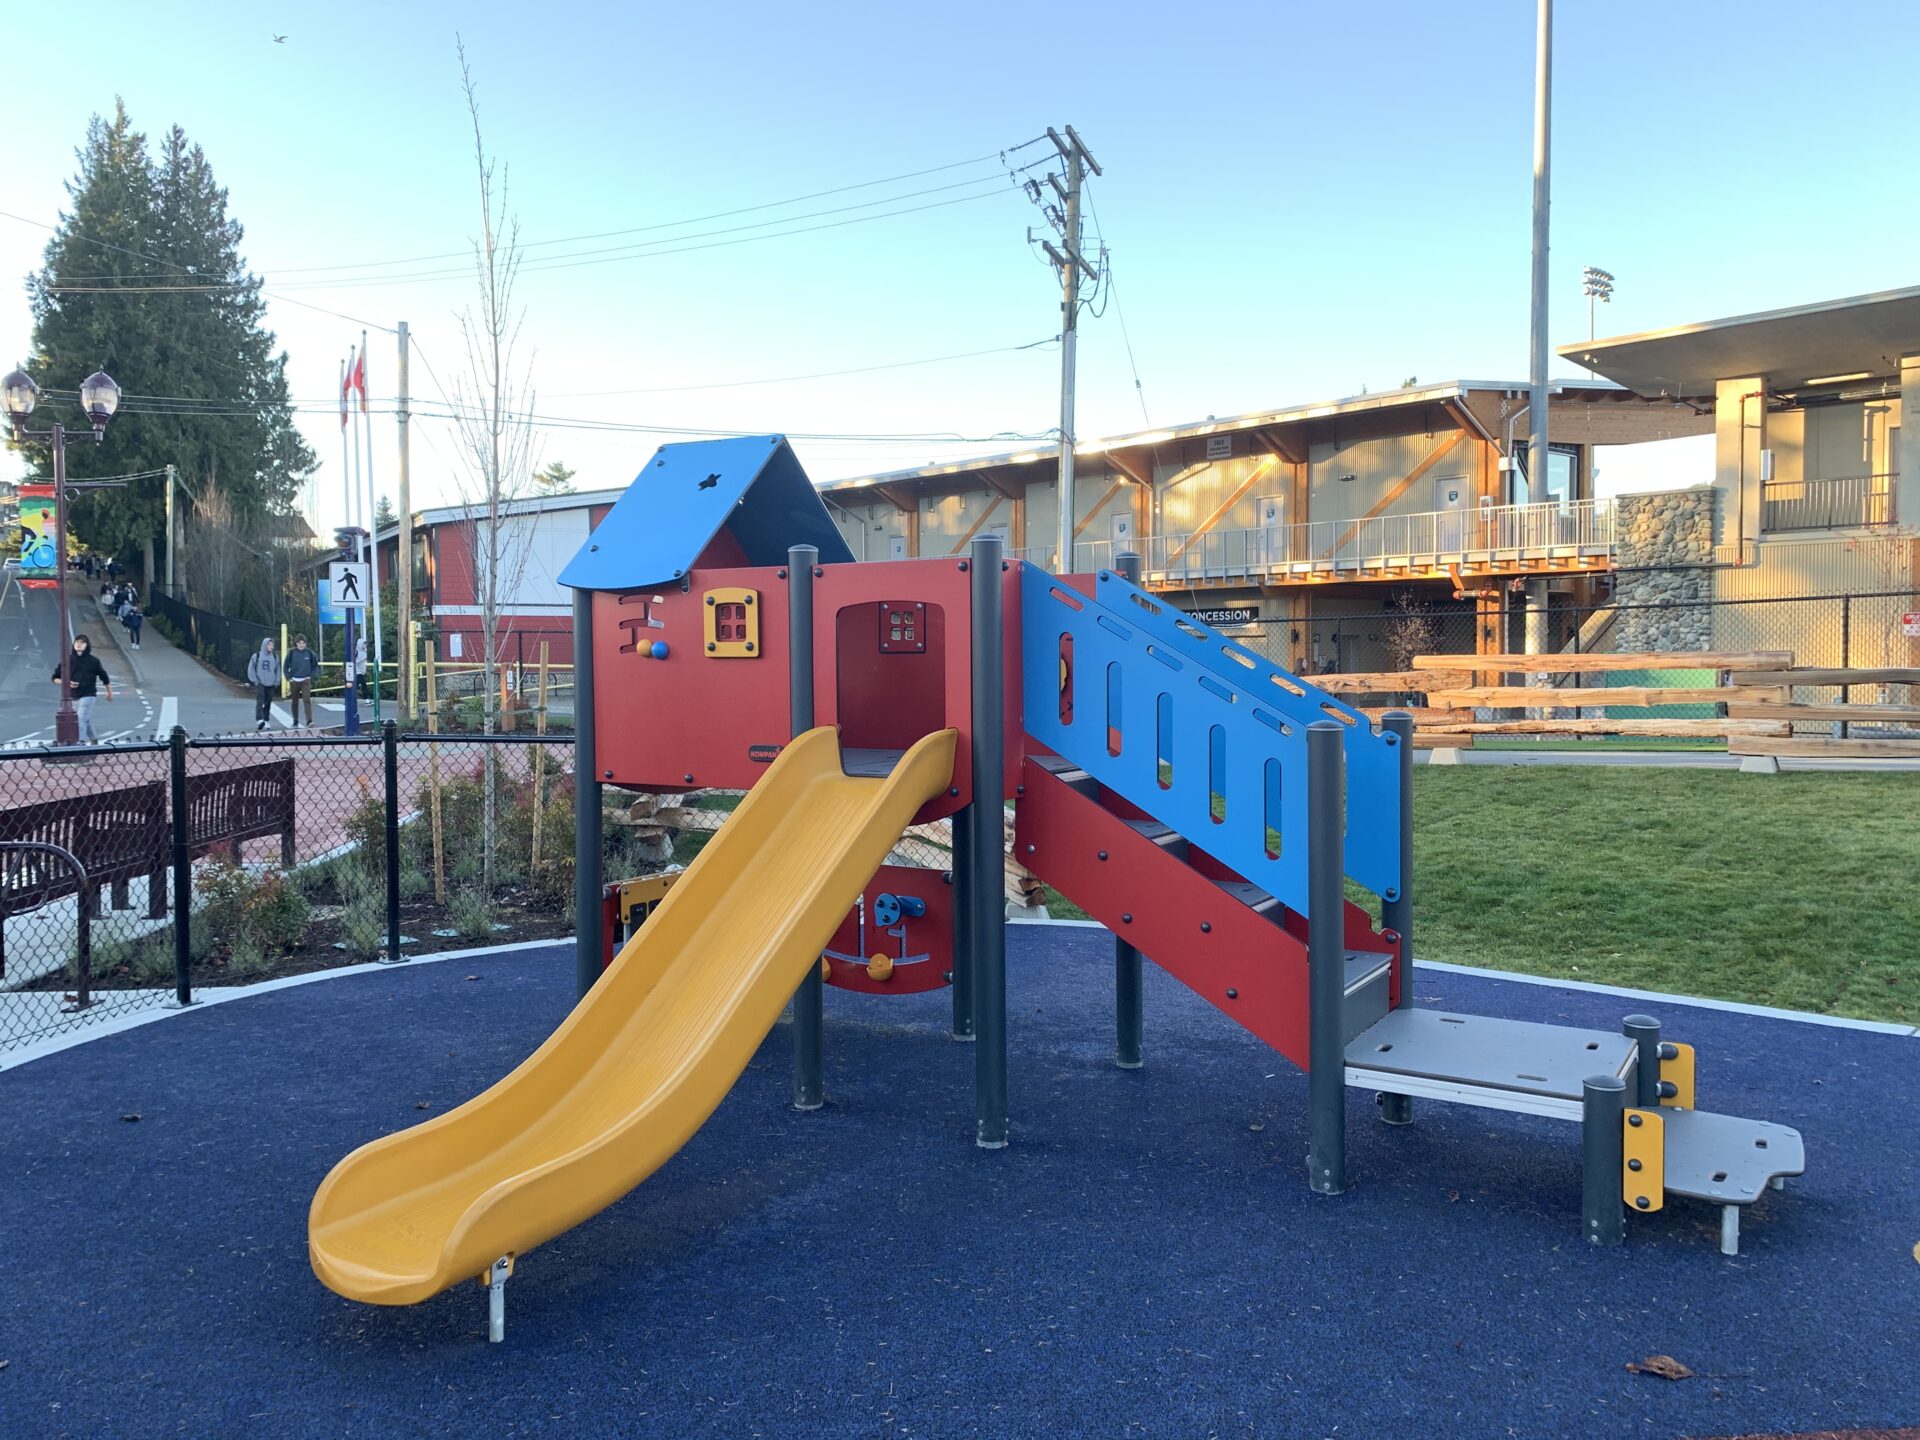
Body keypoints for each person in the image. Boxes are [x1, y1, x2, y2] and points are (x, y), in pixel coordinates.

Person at [51, 634, 112, 744]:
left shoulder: (93, 661)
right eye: (77, 642)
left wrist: (109, 692)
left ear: (87, 645)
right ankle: (93, 738)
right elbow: (55, 678)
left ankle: (80, 741)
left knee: (80, 718)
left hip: (88, 694)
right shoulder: (67, 660)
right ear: (73, 644)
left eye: (82, 642)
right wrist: (66, 683)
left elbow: (104, 676)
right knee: (84, 718)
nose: (79, 644)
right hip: (73, 695)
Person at [246, 638, 281, 731]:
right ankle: (259, 719)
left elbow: (277, 670)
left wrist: (276, 682)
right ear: (265, 645)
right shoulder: (256, 656)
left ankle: (266, 720)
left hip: (271, 683)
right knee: (260, 700)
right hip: (260, 682)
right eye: (269, 645)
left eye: (272, 645)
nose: (271, 647)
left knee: (268, 702)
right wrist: (255, 681)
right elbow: (251, 669)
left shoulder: (274, 657)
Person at [284, 633, 317, 727]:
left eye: (303, 643)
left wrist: (311, 676)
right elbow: (285, 666)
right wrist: (288, 678)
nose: (301, 645)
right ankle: (295, 721)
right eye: (299, 643)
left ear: (305, 643)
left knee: (307, 700)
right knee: (295, 701)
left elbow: (315, 666)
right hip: (294, 680)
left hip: (305, 680)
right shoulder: (291, 653)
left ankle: (309, 720)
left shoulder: (310, 653)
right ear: (296, 643)